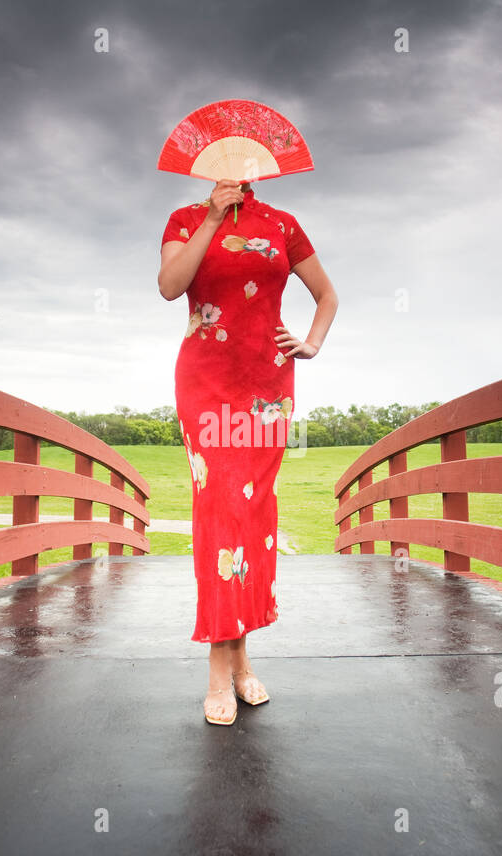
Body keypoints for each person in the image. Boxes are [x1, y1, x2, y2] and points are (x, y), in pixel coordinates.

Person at [158, 178, 338, 725]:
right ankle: (221, 667)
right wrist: (212, 219)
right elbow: (170, 287)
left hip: (267, 387)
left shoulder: (283, 225)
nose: (237, 173)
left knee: (253, 513)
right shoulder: (185, 219)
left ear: (259, 168)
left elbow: (328, 296)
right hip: (206, 383)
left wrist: (310, 343)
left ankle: (240, 659)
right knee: (220, 510)